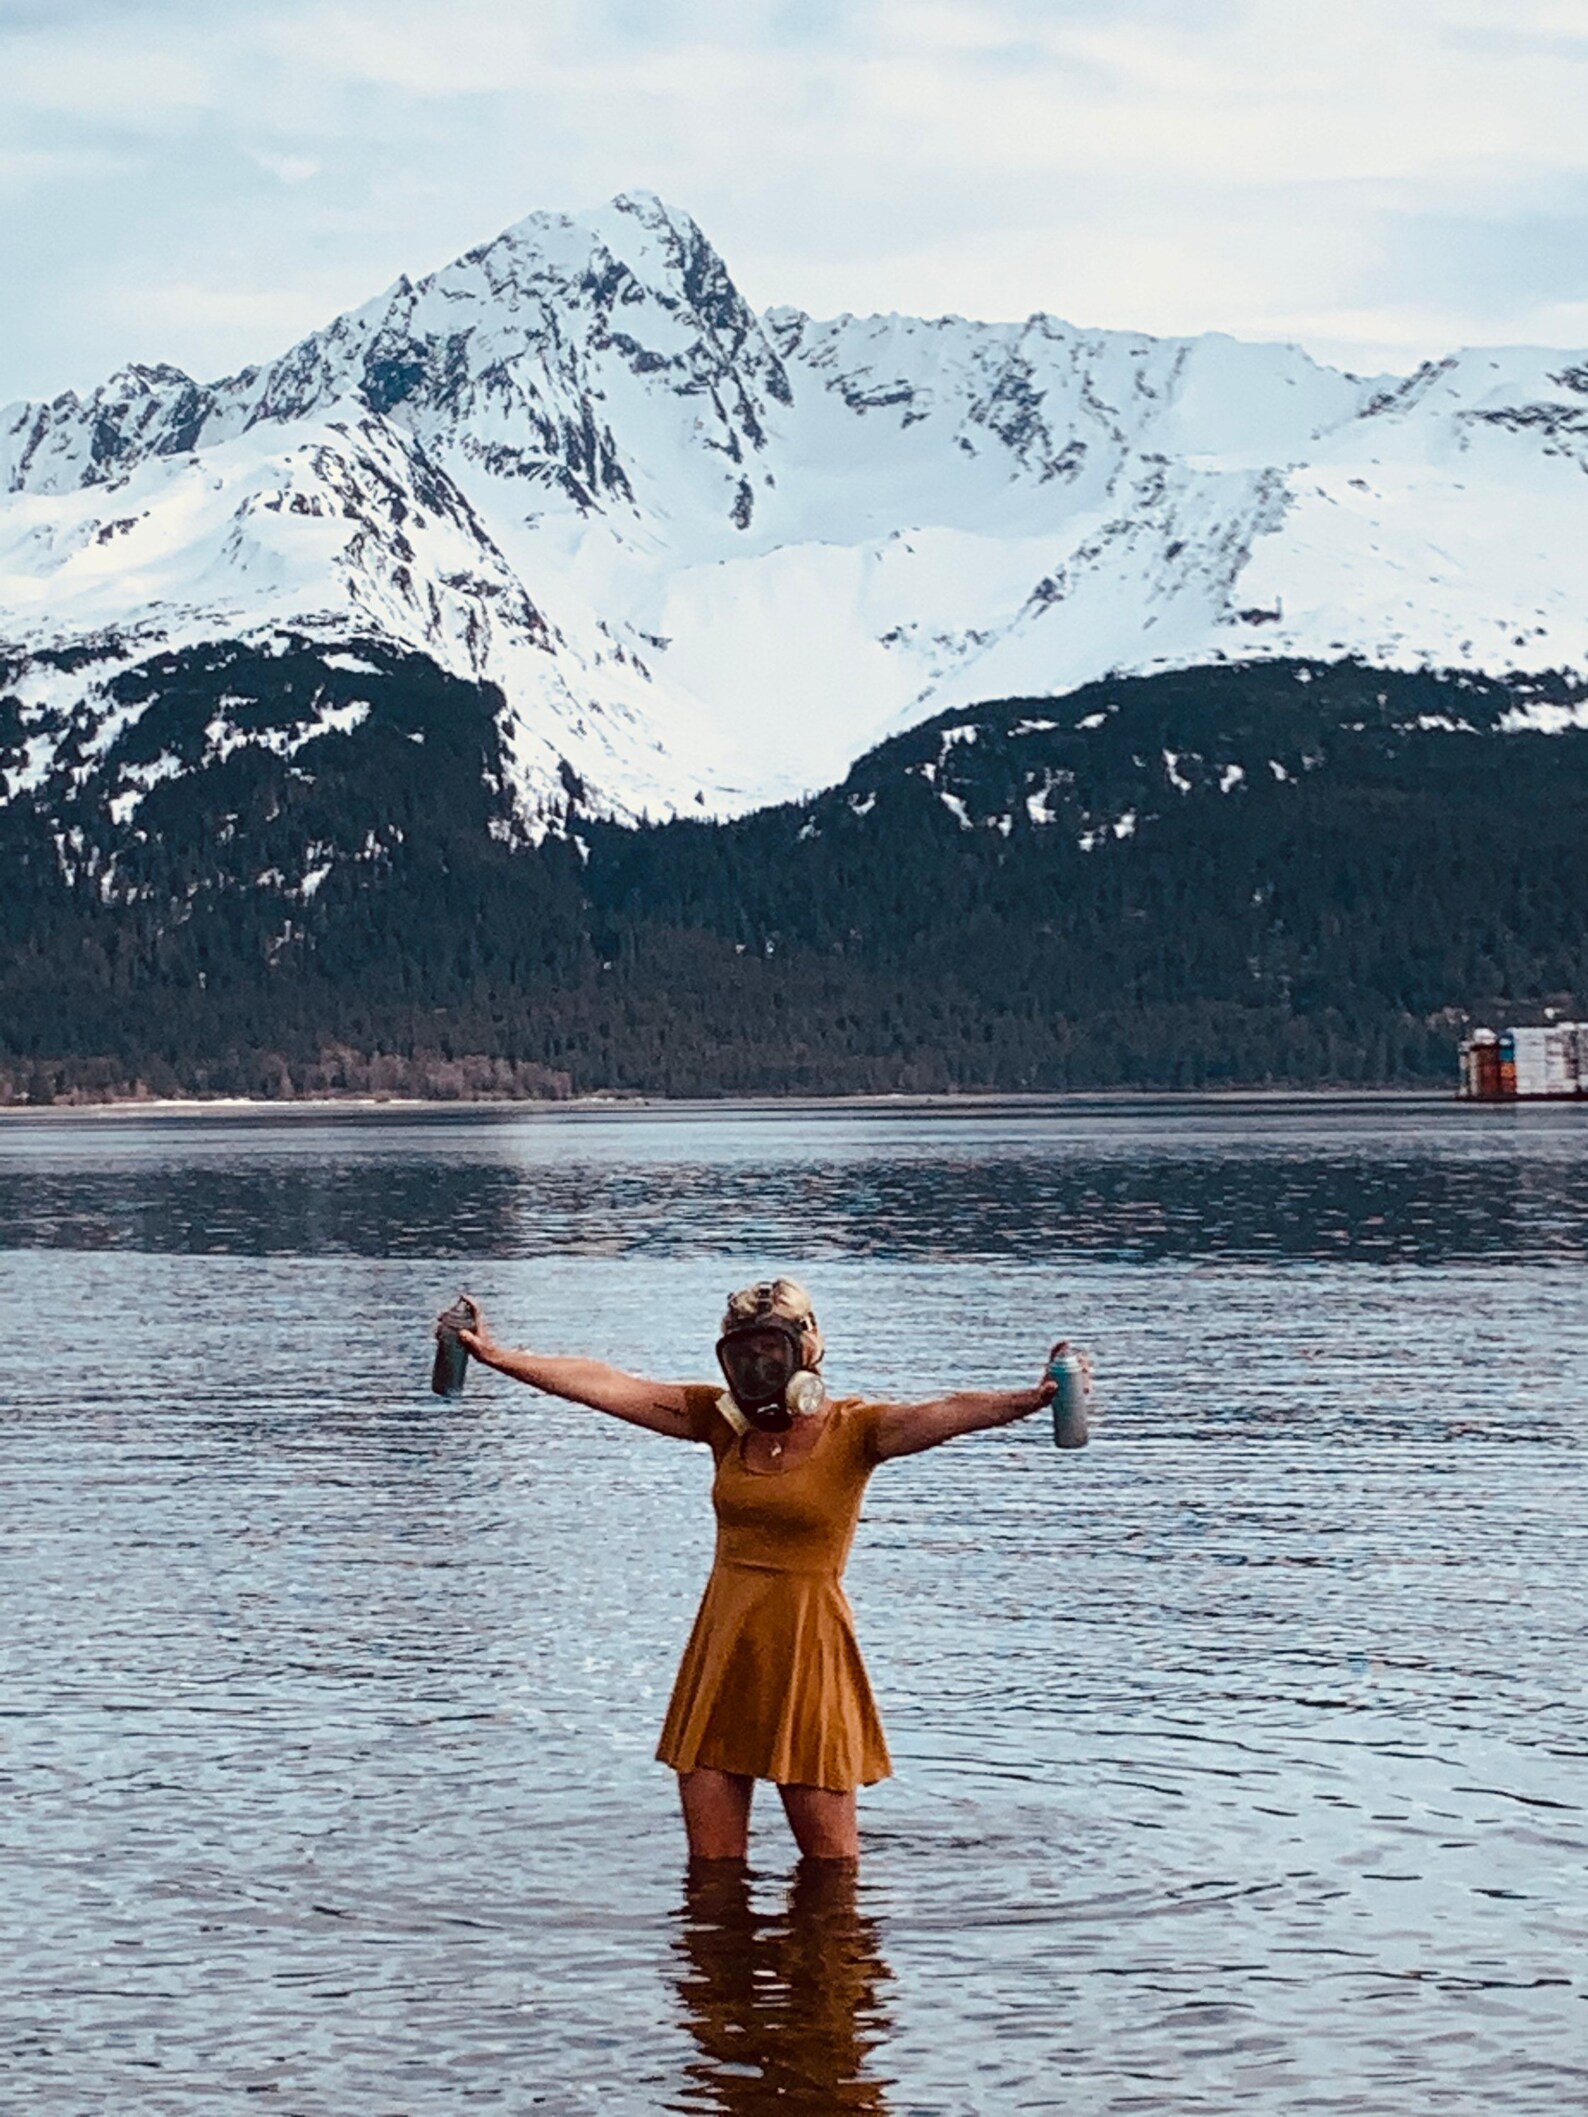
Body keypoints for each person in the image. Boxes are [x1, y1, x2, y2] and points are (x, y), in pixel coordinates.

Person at [455, 1277, 1090, 1865]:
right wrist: (497, 1356)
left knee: (832, 1877)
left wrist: (1032, 1400)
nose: (758, 1370)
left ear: (810, 1346)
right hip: (722, 1655)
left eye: (773, 1352)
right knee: (711, 1876)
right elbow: (608, 1382)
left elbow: (945, 1413)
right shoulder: (720, 1424)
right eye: (743, 1355)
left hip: (808, 1656)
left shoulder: (857, 1430)